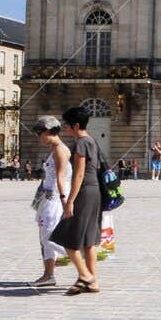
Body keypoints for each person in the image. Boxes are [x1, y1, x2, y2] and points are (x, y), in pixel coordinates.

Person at [51, 106, 104, 295]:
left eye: (66, 125)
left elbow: (79, 174)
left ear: (75, 125)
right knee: (89, 241)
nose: (64, 129)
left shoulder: (81, 143)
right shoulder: (92, 141)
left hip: (84, 192)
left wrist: (70, 200)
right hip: (95, 191)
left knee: (66, 236)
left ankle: (85, 275)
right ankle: (93, 282)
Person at [31, 116, 72, 288]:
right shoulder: (54, 148)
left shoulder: (60, 150)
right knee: (44, 237)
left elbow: (61, 178)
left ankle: (81, 258)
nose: (38, 137)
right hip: (47, 199)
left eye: (40, 133)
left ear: (48, 131)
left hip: (55, 199)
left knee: (50, 237)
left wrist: (65, 202)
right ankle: (49, 274)